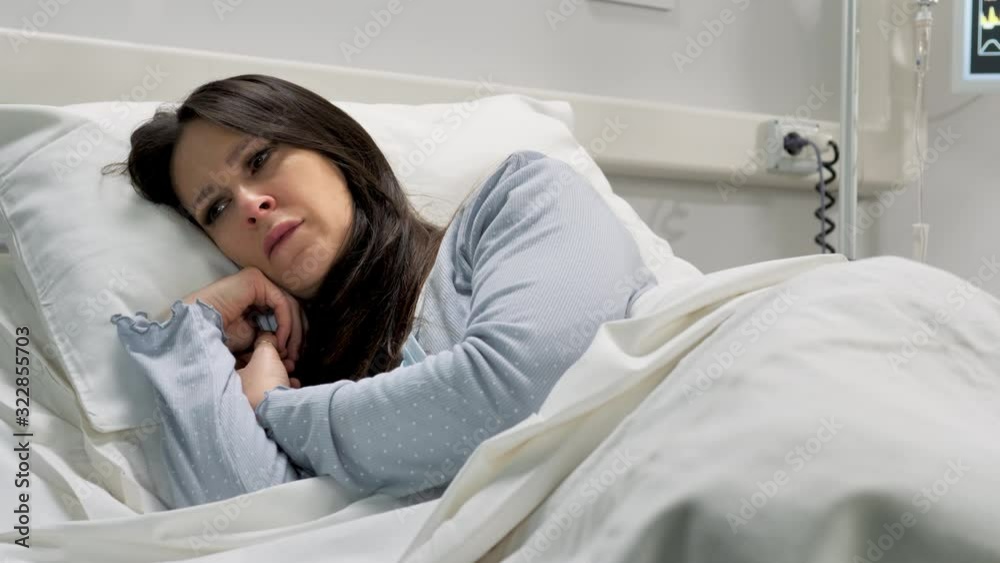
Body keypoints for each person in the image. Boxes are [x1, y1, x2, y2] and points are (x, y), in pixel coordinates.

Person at [105, 74, 658, 509]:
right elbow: (244, 523)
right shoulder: (286, 378)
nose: (251, 204)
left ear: (332, 147)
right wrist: (195, 328)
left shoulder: (520, 202)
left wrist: (278, 410)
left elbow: (519, 388)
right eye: (217, 208)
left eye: (258, 159)